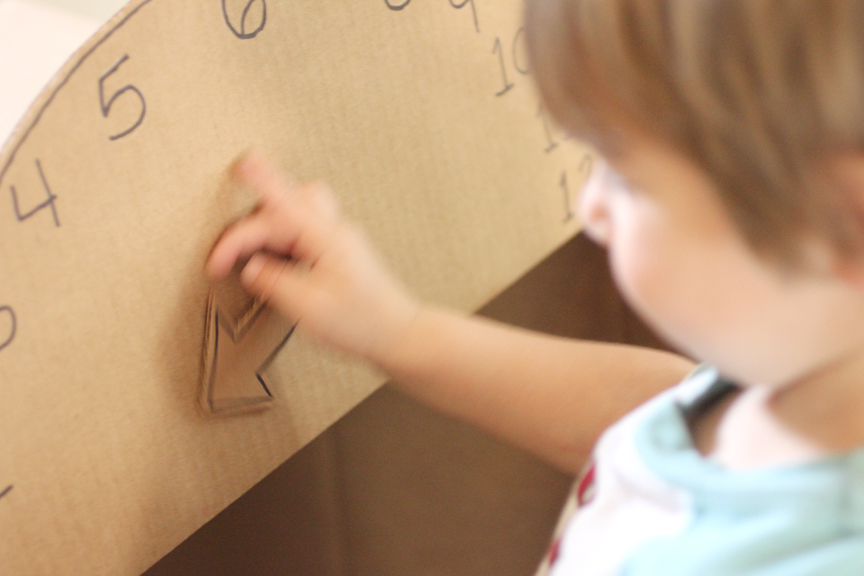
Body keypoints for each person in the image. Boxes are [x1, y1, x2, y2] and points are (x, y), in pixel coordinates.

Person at [207, 0, 864, 573]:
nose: (593, 208)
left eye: (629, 178)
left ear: (844, 224)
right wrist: (397, 332)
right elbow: (654, 408)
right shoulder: (793, 374)